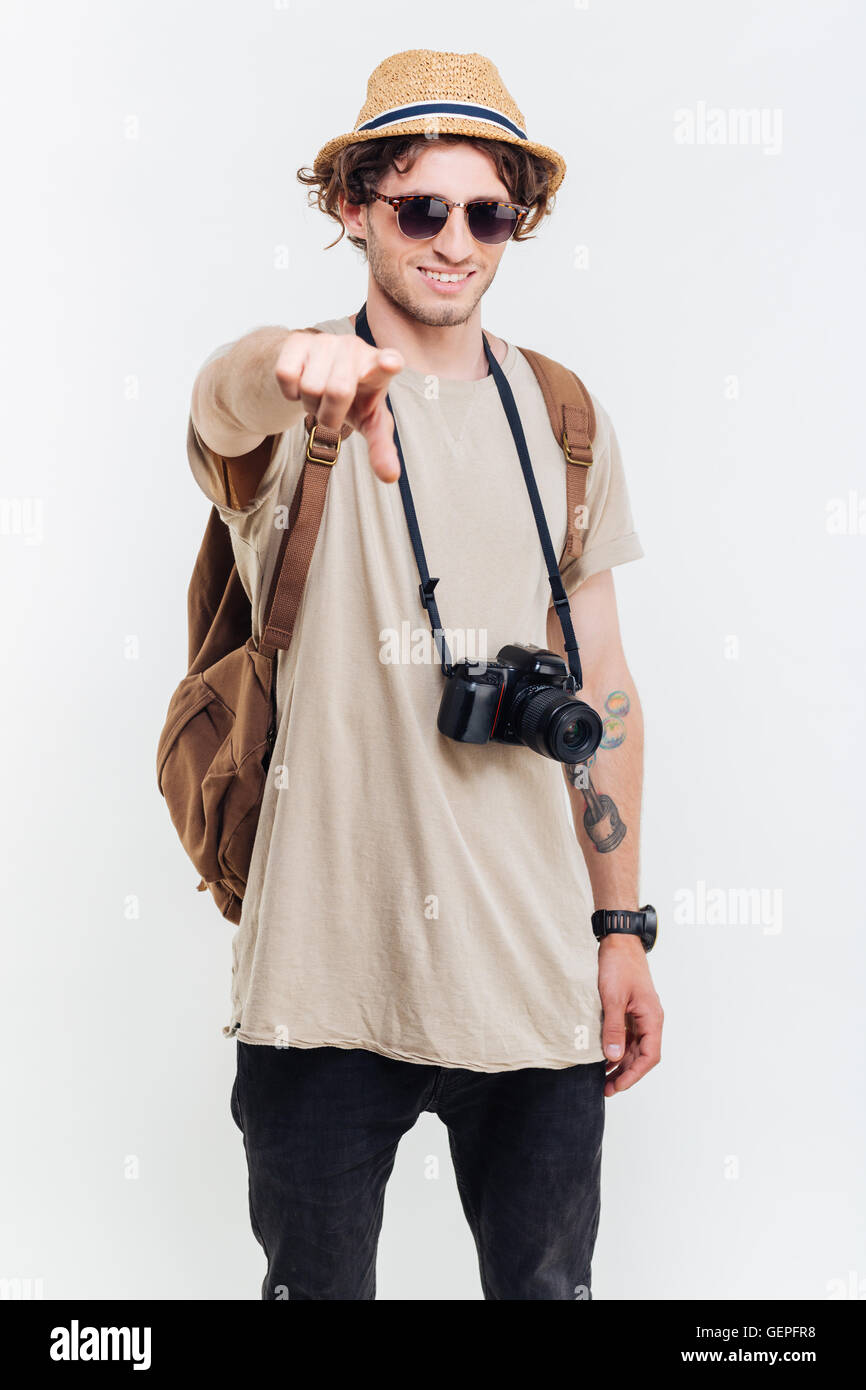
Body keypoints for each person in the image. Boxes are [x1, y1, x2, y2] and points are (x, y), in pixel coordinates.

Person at [187, 48, 664, 1301]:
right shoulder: (297, 403)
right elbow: (217, 402)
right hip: (322, 984)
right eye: (417, 207)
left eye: (485, 212)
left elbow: (602, 678)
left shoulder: (562, 415)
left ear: (516, 220)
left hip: (534, 981)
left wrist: (620, 928)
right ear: (352, 207)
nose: (454, 240)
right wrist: (295, 362)